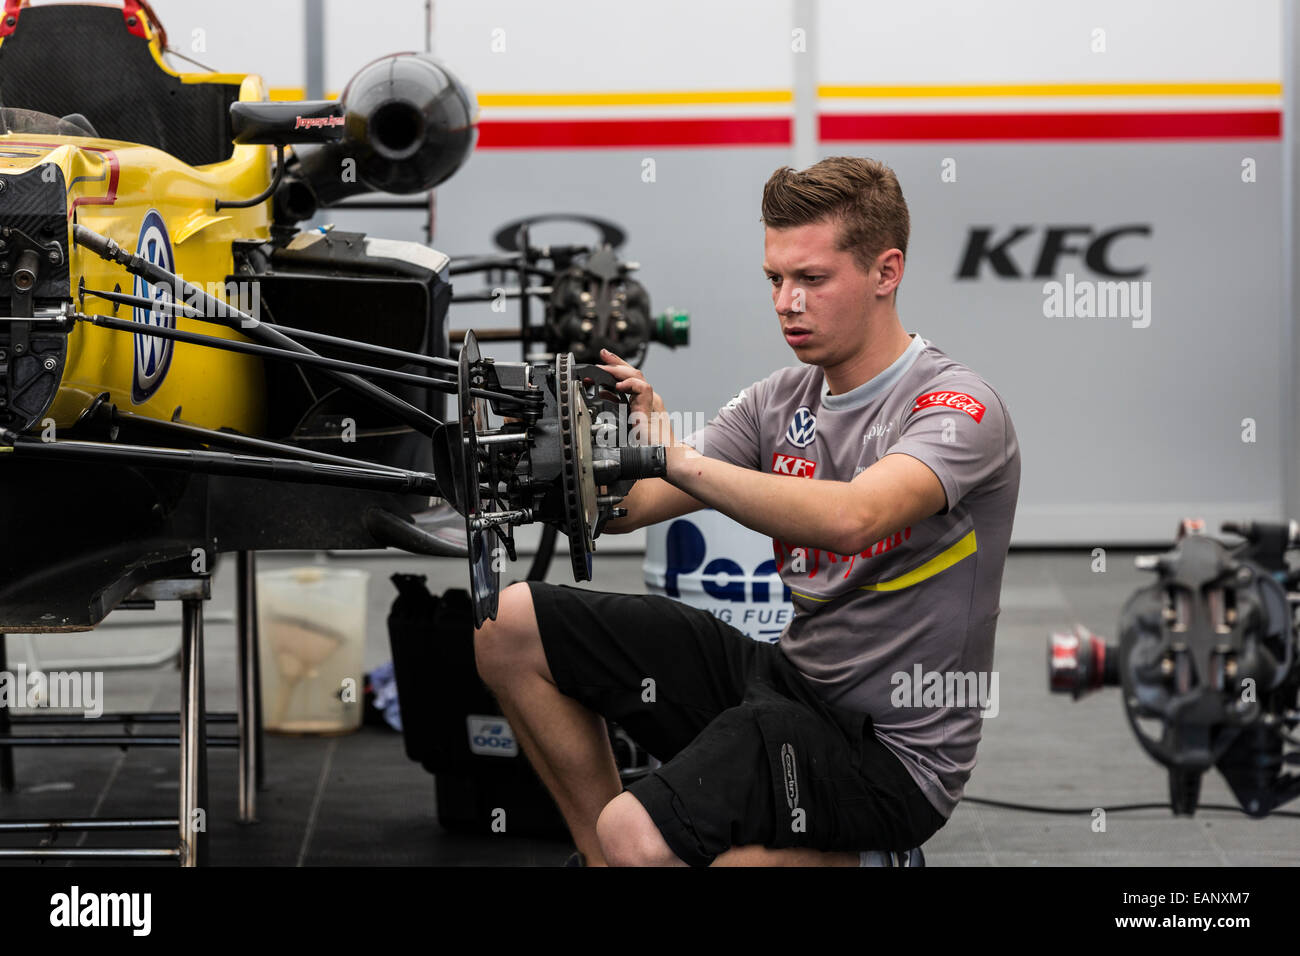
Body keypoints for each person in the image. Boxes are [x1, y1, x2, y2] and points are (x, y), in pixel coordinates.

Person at [474, 156, 1021, 866]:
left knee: (641, 834)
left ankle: (875, 856)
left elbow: (855, 516)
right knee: (508, 626)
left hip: (885, 760)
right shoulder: (778, 401)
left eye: (812, 280)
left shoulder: (956, 409)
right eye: (776, 279)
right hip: (787, 682)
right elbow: (630, 507)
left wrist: (671, 457)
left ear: (886, 272)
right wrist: (579, 452)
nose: (787, 302)